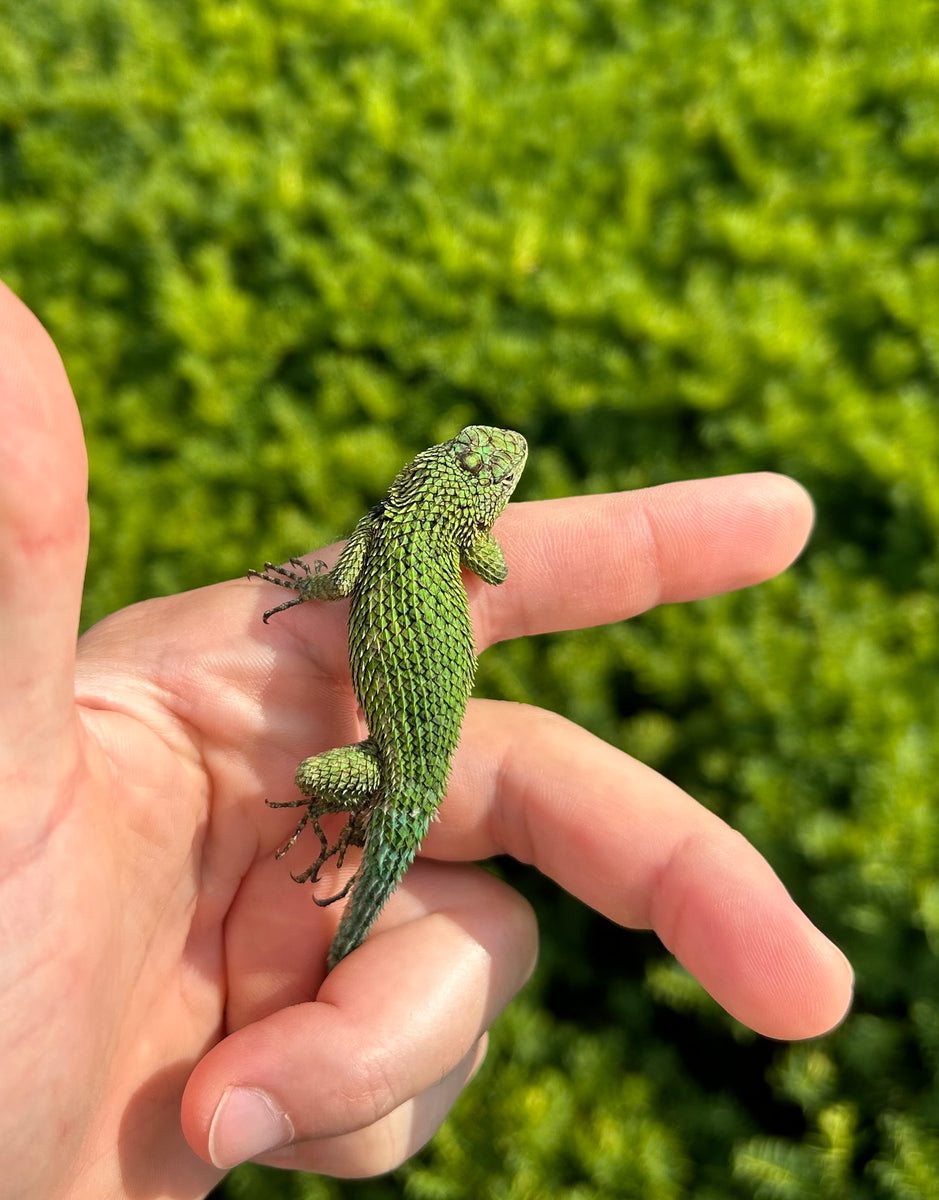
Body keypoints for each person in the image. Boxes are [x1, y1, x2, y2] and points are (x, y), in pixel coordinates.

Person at [0, 280, 852, 1200]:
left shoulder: (379, 533)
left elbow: (327, 591)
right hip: (408, 753)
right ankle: (339, 858)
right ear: (462, 500)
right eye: (484, 468)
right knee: (352, 829)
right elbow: (492, 562)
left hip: (396, 758)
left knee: (348, 827)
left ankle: (339, 854)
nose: (499, 462)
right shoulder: (463, 548)